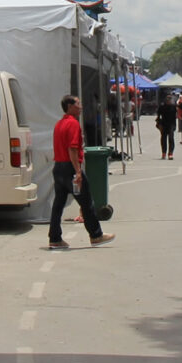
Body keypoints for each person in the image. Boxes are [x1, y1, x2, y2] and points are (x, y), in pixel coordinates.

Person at [48, 94, 116, 249]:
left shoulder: (59, 124)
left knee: (58, 205)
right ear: (70, 106)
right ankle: (96, 235)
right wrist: (78, 171)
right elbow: (72, 148)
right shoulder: (73, 124)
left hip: (58, 167)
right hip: (70, 168)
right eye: (78, 103)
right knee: (87, 203)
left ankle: (54, 238)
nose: (81, 107)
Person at [155, 93, 177, 160]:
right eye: (167, 98)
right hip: (163, 124)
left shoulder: (173, 106)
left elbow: (175, 116)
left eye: (170, 98)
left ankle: (170, 154)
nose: (169, 99)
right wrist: (159, 124)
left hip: (171, 124)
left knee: (171, 138)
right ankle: (164, 153)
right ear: (165, 99)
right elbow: (158, 116)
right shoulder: (162, 106)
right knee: (163, 139)